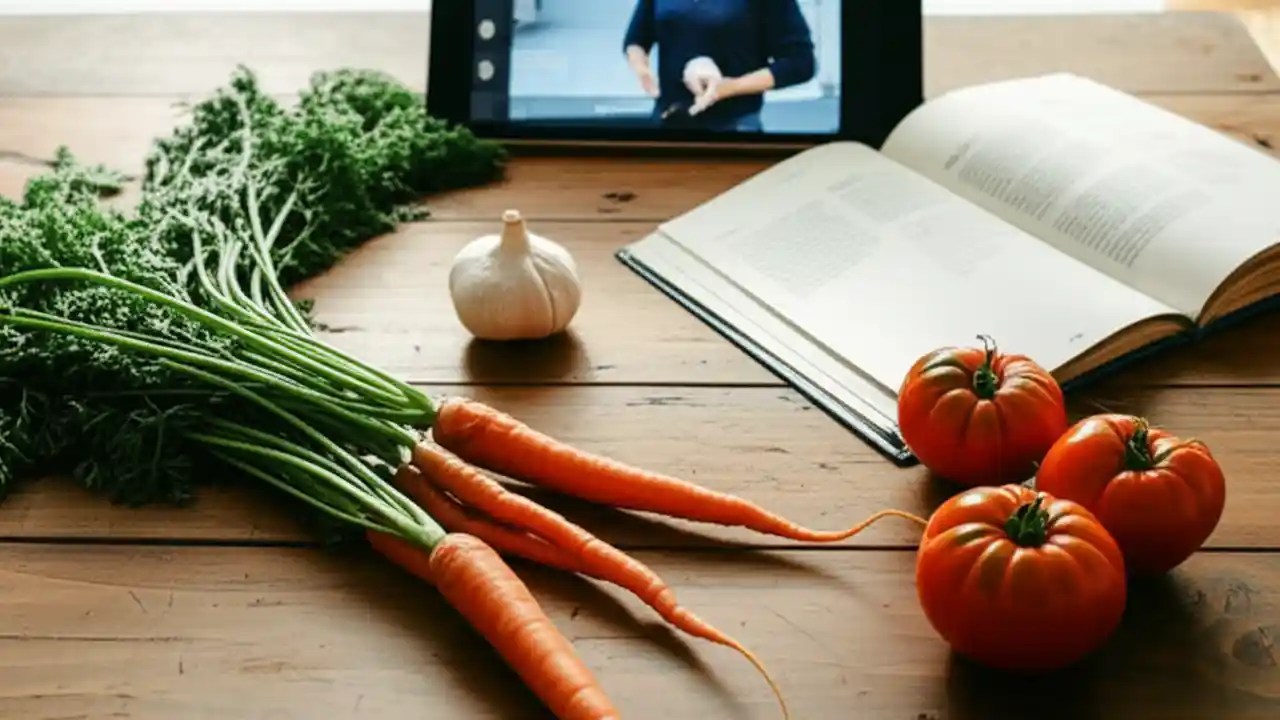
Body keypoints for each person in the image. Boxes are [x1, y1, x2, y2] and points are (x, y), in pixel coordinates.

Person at [622, 0, 817, 132]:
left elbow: (800, 63)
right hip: (667, 120)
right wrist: (641, 69)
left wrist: (729, 87)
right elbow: (636, 39)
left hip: (733, 127)